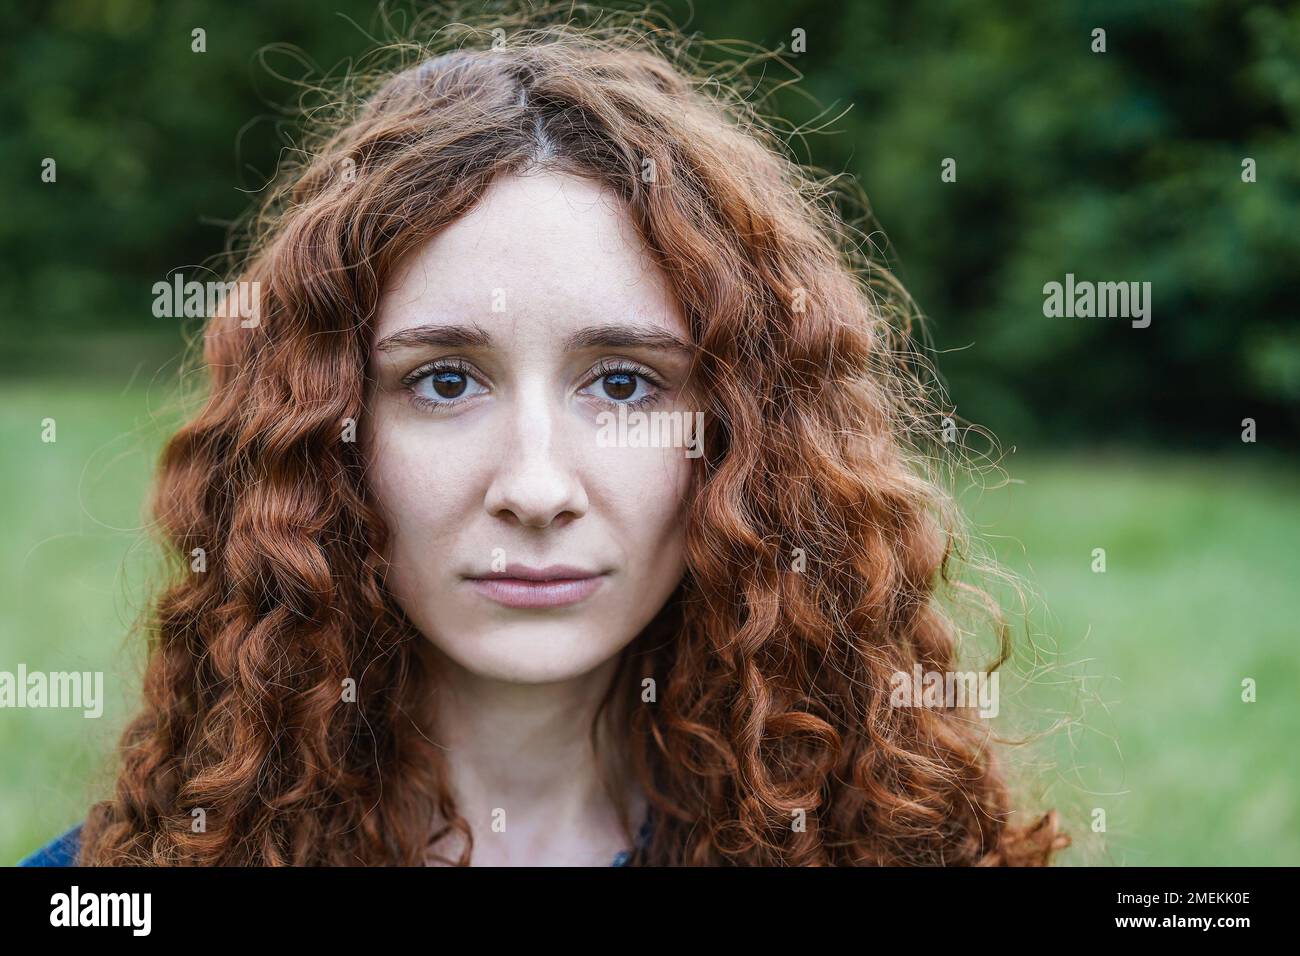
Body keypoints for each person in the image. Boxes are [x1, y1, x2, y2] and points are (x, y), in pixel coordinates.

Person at [19, 10, 1066, 866]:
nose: (533, 486)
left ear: (741, 436)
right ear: (328, 437)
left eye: (621, 381)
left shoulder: (887, 848)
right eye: (442, 379)